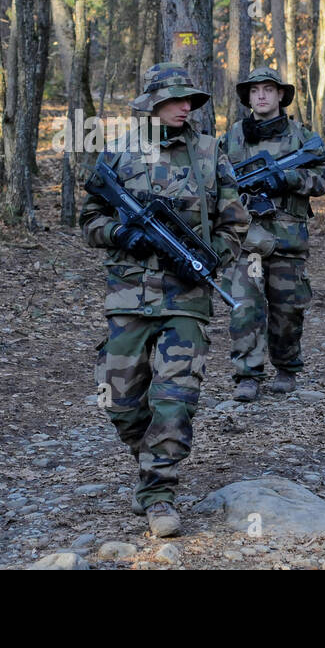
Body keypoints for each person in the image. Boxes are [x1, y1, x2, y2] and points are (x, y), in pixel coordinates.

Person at [79, 63, 249, 538]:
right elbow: (89, 216)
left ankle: (159, 494)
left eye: (190, 100)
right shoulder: (118, 153)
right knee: (118, 398)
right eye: (175, 99)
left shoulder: (209, 153)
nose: (185, 107)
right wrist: (118, 232)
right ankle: (150, 459)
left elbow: (236, 223)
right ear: (152, 103)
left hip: (187, 298)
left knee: (175, 400)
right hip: (128, 294)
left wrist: (209, 258)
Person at [218, 67, 325, 403]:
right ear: (248, 97)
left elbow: (322, 181)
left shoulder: (301, 137)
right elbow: (217, 185)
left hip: (287, 239)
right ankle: (248, 375)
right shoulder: (233, 137)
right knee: (245, 307)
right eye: (255, 91)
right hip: (245, 239)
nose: (262, 96)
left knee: (288, 309)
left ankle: (285, 367)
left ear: (281, 95)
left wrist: (288, 180)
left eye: (269, 89)